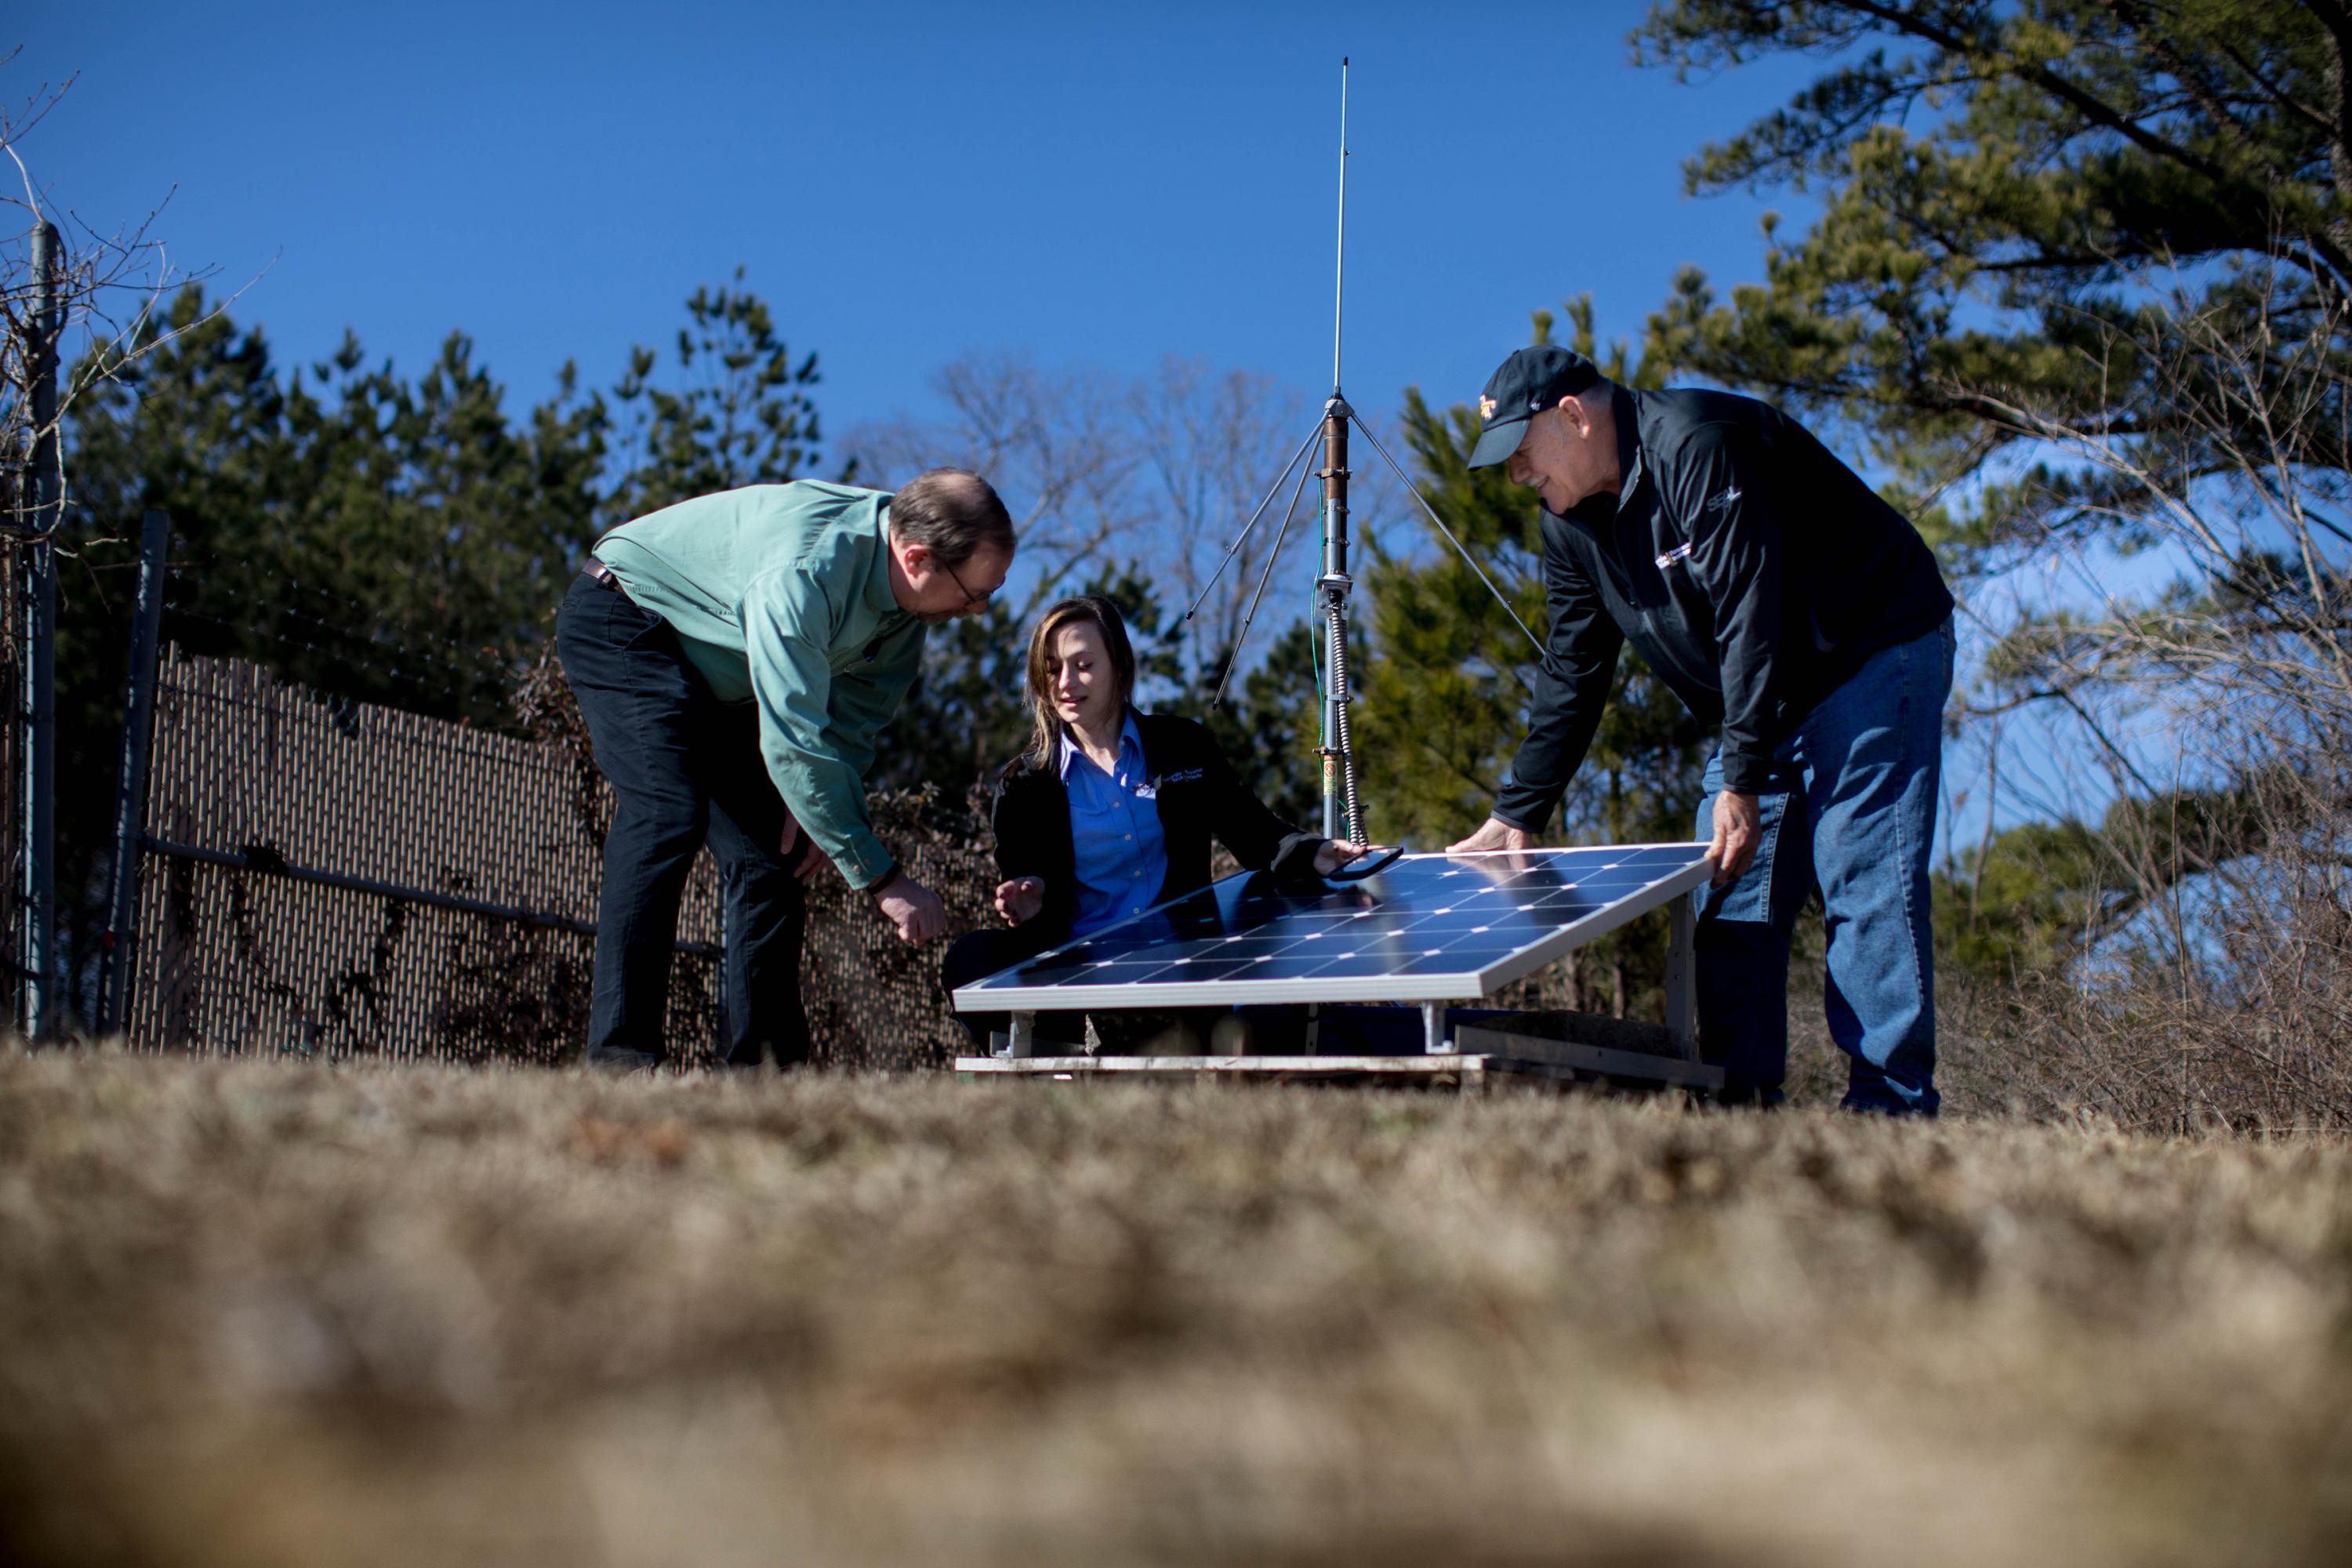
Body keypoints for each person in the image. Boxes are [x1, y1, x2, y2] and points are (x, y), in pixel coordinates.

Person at [1448, 346, 1955, 1114]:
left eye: (1520, 451)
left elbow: (1753, 616)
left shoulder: (1698, 444)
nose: (1517, 474)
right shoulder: (1570, 528)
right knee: (1726, 886)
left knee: (1861, 871)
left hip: (1869, 651)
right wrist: (1517, 808)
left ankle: (1890, 1111)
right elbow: (1575, 669)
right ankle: (1741, 1107)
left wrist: (1740, 778)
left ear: (1573, 416)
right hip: (1761, 695)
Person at [557, 470, 1014, 1072]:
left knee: (774, 855)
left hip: (722, 671)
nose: (977, 611)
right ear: (917, 558)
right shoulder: (806, 569)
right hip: (630, 623)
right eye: (973, 593)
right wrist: (881, 879)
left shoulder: (906, 608)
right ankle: (621, 1060)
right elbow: (793, 736)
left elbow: (852, 725)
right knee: (667, 812)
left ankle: (765, 1073)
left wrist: (822, 813)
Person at [943, 594, 1363, 1053]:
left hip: (1181, 953)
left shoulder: (1184, 745)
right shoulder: (1023, 787)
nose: (1065, 682)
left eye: (1083, 665)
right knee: (971, 959)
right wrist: (1029, 895)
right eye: (1051, 668)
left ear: (1119, 665)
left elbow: (1253, 831)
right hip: (1074, 962)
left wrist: (1312, 851)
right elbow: (1024, 877)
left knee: (1262, 995)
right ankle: (1049, 1067)